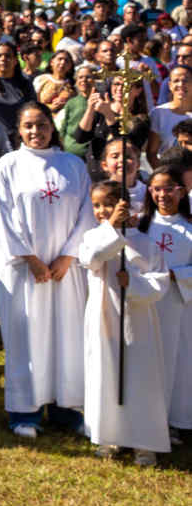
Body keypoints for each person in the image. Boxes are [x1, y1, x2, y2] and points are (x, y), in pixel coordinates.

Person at [0, 103, 92, 439]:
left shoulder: (73, 165)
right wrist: (31, 259)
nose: (36, 132)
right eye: (29, 126)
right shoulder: (8, 165)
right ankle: (25, 412)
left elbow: (87, 213)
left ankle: (65, 408)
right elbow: (1, 217)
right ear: (19, 129)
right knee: (27, 338)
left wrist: (68, 256)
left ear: (52, 127)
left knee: (66, 338)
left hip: (65, 271)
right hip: (24, 272)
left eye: (42, 125)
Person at [80, 181, 169, 466]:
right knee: (105, 372)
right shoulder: (93, 237)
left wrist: (134, 284)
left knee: (140, 376)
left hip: (136, 320)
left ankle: (144, 442)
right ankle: (109, 436)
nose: (102, 210)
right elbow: (93, 259)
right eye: (96, 205)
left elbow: (160, 283)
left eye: (108, 204)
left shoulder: (145, 242)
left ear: (125, 206)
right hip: (103, 316)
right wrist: (112, 229)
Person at [133, 167, 192, 446]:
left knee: (177, 361)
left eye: (169, 188)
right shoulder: (141, 225)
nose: (163, 194)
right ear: (149, 191)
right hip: (146, 303)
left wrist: (175, 274)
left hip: (179, 303)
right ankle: (144, 419)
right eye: (157, 189)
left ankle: (174, 420)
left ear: (182, 191)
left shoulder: (189, 227)